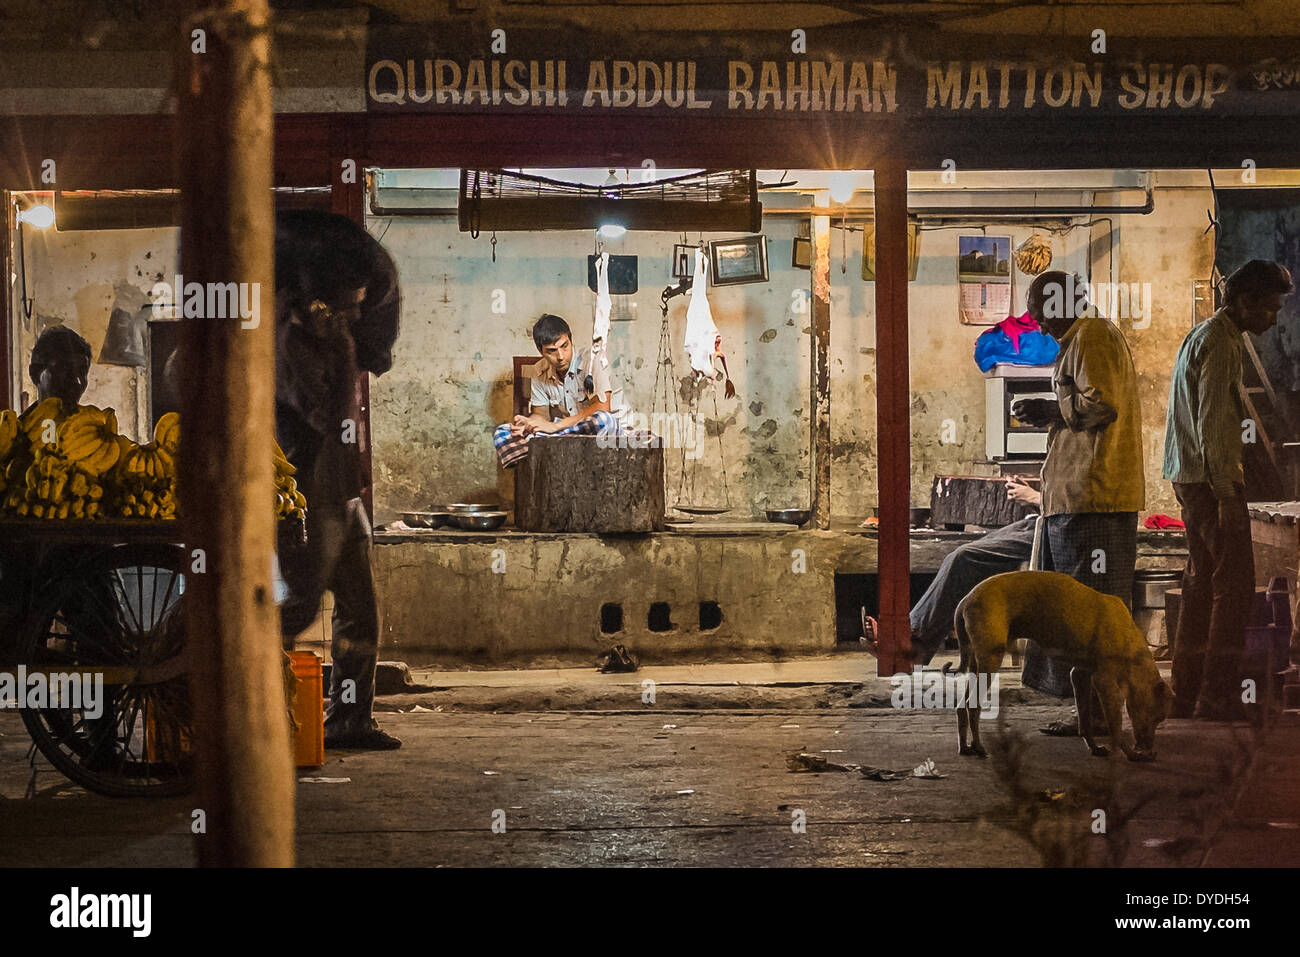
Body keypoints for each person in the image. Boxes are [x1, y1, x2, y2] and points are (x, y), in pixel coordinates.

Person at [274, 210, 402, 751]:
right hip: (316, 492)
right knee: (301, 603)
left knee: (359, 610)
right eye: (347, 303)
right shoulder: (292, 348)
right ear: (315, 305)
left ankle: (350, 719)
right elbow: (320, 416)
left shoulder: (334, 340)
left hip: (346, 493)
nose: (356, 311)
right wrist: (345, 346)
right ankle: (231, 683)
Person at [1013, 271, 1145, 735]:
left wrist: (1051, 409)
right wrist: (1049, 410)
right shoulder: (1081, 339)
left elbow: (1102, 403)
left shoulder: (1093, 334)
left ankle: (1103, 718)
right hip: (1079, 498)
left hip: (1096, 499)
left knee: (1093, 616)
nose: (1037, 322)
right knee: (1080, 616)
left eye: (1039, 310)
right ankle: (1091, 714)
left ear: (1061, 302)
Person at [1163, 259, 1293, 720]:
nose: (1274, 318)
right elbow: (1215, 425)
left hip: (1188, 477)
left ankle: (1185, 696)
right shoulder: (1221, 344)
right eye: (1271, 308)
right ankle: (1216, 699)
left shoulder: (1203, 335)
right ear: (1244, 301)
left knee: (1201, 589)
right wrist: (1226, 495)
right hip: (1210, 482)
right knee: (1234, 591)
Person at [861, 477, 1041, 663]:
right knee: (958, 557)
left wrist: (1035, 497)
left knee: (963, 558)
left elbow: (1070, 509)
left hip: (1049, 529)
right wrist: (1030, 497)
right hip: (1035, 523)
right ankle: (909, 637)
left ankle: (909, 640)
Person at [493, 313, 631, 466]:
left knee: (603, 420)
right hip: (575, 433)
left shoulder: (592, 361)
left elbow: (602, 408)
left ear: (571, 341)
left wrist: (555, 426)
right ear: (541, 351)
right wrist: (529, 424)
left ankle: (557, 444)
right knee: (503, 433)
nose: (560, 356)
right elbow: (541, 415)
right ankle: (563, 446)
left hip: (612, 429)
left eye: (564, 346)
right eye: (551, 351)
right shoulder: (539, 372)